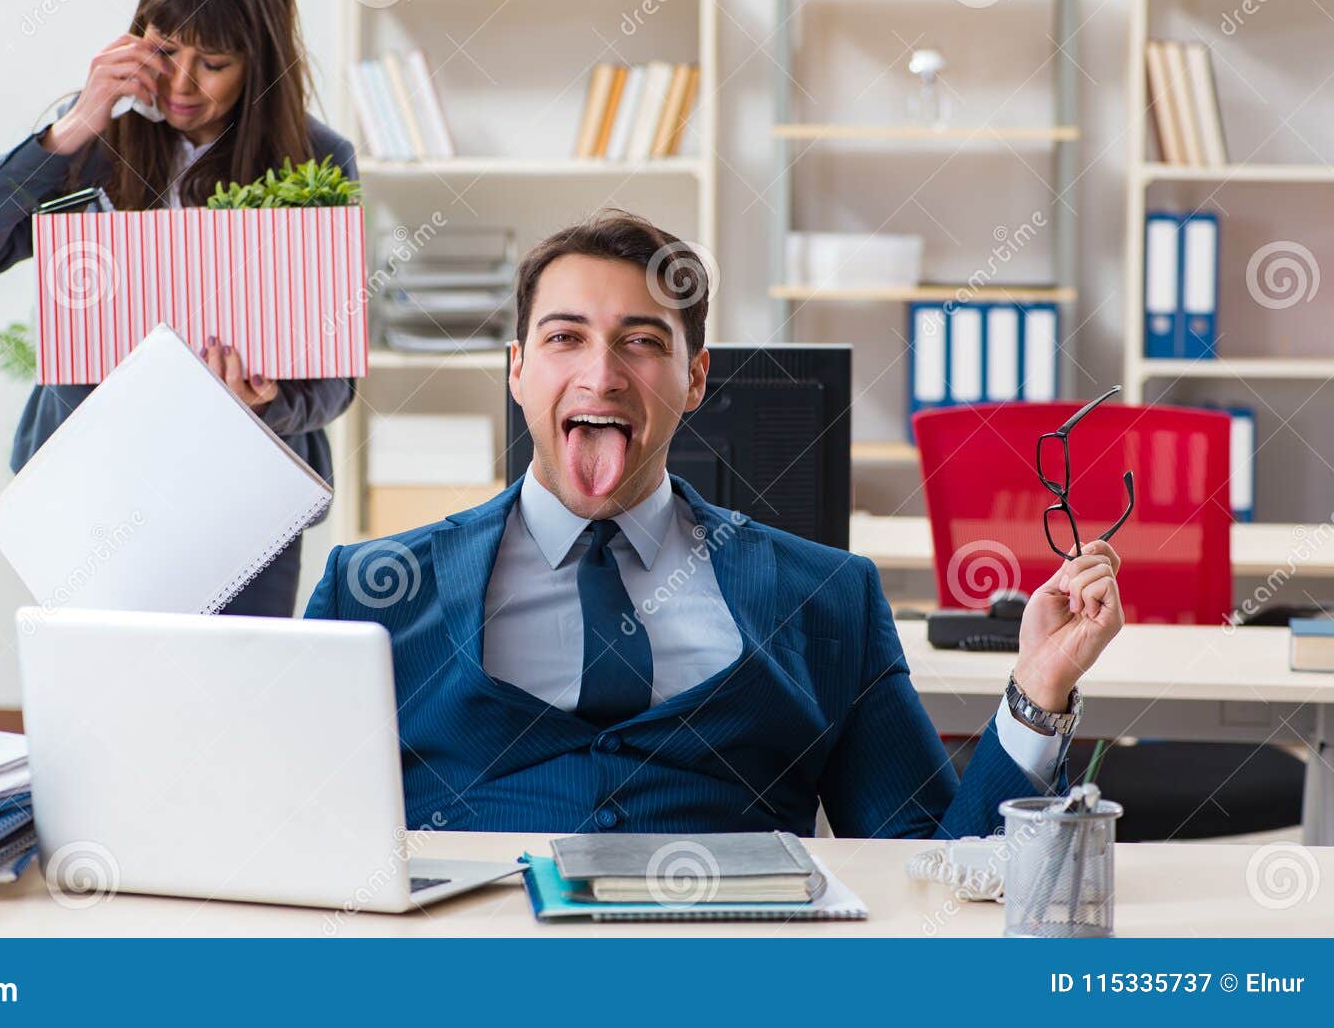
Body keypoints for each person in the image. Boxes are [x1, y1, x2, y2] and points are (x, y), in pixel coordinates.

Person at [307, 209, 1125, 837]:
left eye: (640, 342)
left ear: (695, 379)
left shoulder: (828, 598)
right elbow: (286, 836)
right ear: (517, 370)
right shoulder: (372, 592)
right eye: (565, 338)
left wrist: (1037, 692)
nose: (602, 375)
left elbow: (939, 870)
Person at [0, 0, 355, 616]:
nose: (181, 83)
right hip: (94, 489)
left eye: (213, 63)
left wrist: (266, 403)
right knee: (98, 680)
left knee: (236, 679)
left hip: (244, 496)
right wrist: (72, 128)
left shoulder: (316, 159)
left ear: (259, 61)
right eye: (165, 50)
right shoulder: (90, 139)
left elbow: (335, 383)